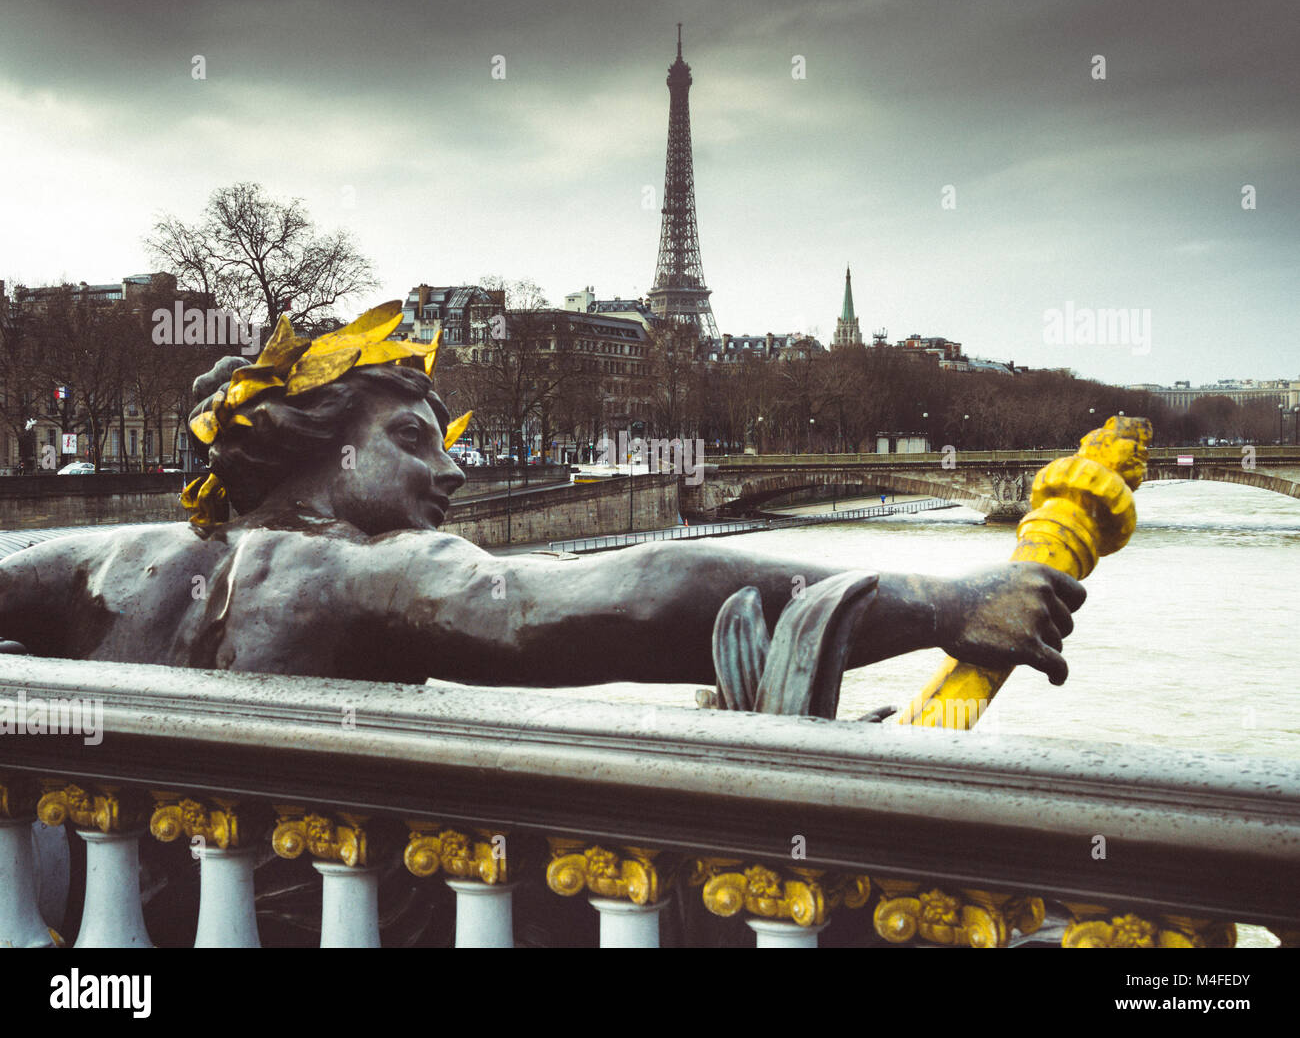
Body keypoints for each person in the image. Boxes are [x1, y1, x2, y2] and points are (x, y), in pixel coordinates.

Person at [0, 304, 1083, 693]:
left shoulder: (118, 559)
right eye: (415, 440)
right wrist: (940, 603)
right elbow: (629, 594)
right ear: (318, 450)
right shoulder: (356, 566)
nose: (453, 474)